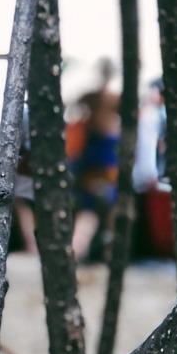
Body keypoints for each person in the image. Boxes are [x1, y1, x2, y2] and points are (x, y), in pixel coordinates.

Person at [68, 58, 121, 261]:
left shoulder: (91, 97)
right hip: (105, 163)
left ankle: (81, 249)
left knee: (91, 213)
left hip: (93, 162)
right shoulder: (113, 98)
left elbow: (72, 106)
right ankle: (108, 254)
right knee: (105, 213)